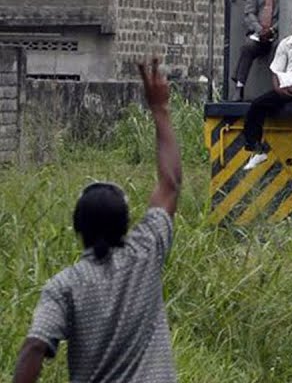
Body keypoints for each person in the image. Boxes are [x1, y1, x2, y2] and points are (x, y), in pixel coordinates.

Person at [14, 60, 180, 383]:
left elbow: (35, 346)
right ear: (127, 225)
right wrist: (160, 109)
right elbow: (170, 184)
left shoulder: (64, 286)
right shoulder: (146, 253)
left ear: (78, 229)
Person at [241, 9, 292, 171]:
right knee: (258, 104)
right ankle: (257, 149)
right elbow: (276, 70)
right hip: (286, 86)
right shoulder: (285, 44)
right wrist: (278, 88)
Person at [233, 0, 283, 99]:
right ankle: (239, 87)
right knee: (248, 47)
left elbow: (286, 12)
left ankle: (276, 89)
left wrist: (273, 29)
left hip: (278, 32)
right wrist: (260, 30)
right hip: (259, 33)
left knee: (279, 47)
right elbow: (249, 13)